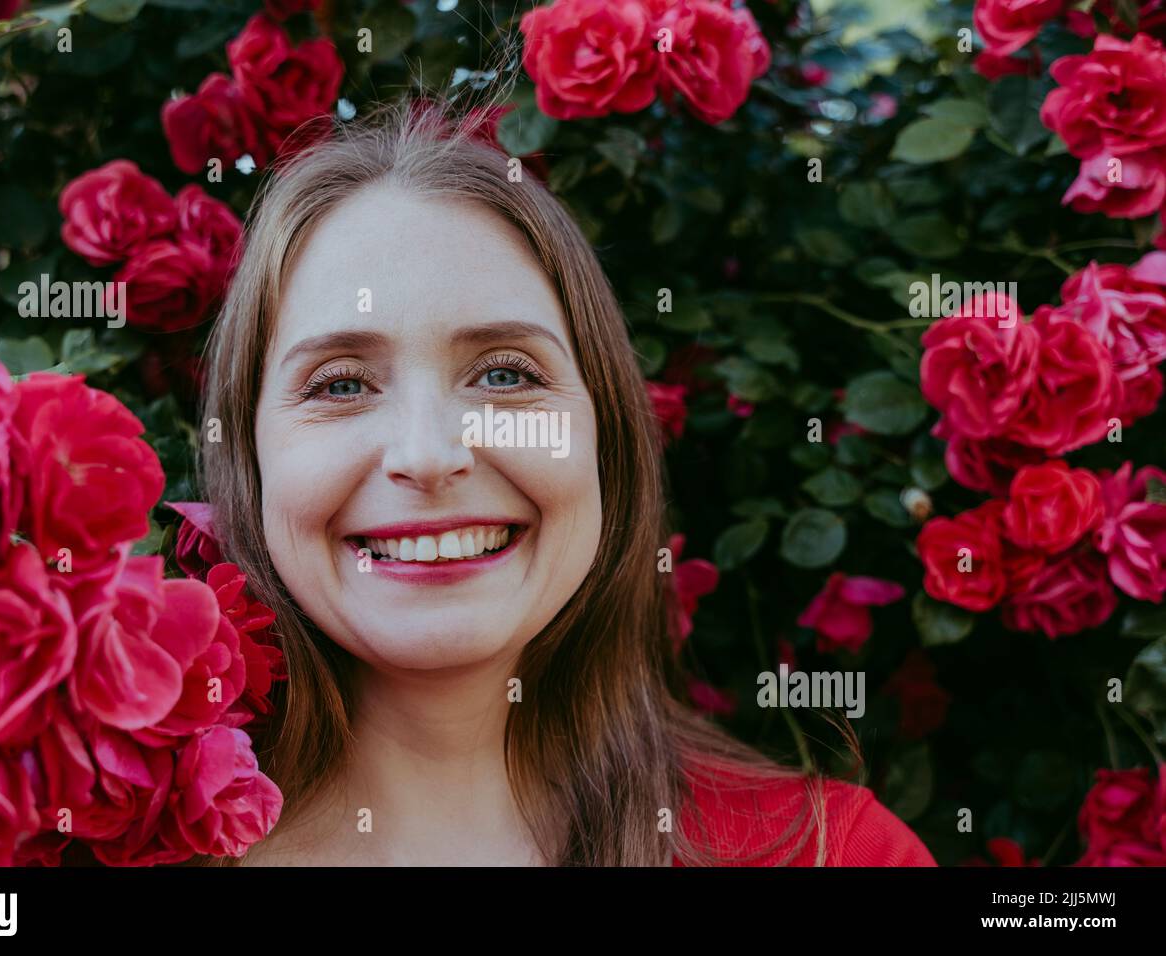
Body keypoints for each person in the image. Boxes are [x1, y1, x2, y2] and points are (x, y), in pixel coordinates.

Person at [197, 93, 935, 867]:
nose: (428, 455)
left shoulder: (835, 857)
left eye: (506, 375)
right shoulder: (107, 851)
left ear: (604, 441)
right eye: (341, 385)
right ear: (248, 462)